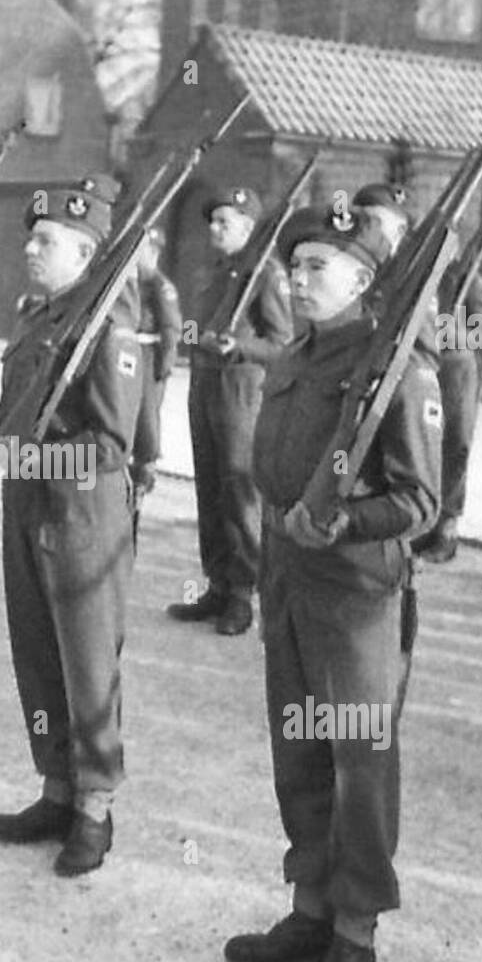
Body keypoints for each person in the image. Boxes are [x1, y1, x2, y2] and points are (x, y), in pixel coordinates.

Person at [225, 204, 441, 962]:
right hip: (286, 577)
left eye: (321, 266)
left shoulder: (398, 370)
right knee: (300, 752)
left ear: (363, 278)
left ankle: (355, 934)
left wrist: (345, 520)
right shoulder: (292, 357)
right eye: (297, 264)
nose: (301, 278)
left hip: (353, 593)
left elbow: (421, 499)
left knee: (358, 764)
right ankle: (310, 907)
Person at [0, 186, 142, 876]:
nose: (29, 247)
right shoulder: (37, 317)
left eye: (46, 240)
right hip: (26, 505)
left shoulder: (110, 329)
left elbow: (111, 446)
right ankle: (55, 787)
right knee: (37, 656)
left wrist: (34, 456)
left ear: (86, 252)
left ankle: (95, 807)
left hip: (81, 518)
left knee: (85, 665)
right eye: (32, 235)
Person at [167, 185, 292, 635]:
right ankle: (218, 583)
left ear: (248, 227)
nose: (215, 230)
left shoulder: (266, 274)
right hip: (204, 383)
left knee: (240, 488)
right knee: (210, 486)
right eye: (213, 222)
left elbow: (282, 344)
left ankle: (243, 593)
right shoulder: (214, 273)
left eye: (225, 223)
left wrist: (237, 345)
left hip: (241, 390)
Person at [414, 254, 482, 563]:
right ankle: (418, 522)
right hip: (419, 367)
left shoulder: (467, 278)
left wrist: (446, 332)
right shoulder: (416, 270)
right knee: (419, 442)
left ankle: (447, 526)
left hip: (455, 371)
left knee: (454, 443)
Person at [130, 227, 182, 524]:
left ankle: (145, 467)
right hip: (130, 353)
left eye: (145, 250)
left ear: (154, 252)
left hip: (149, 356)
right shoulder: (129, 281)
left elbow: (171, 328)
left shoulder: (159, 286)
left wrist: (164, 366)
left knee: (147, 417)